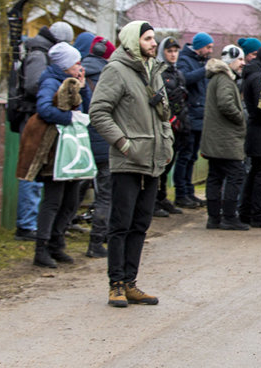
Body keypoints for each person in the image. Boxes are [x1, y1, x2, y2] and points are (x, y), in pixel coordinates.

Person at [90, 21, 174, 307]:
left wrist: (168, 143)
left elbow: (164, 115)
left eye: (154, 38)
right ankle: (115, 285)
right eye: (148, 38)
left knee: (140, 224)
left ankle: (131, 283)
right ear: (132, 41)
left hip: (153, 161)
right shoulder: (116, 70)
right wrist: (124, 144)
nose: (154, 43)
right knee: (120, 224)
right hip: (128, 161)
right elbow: (99, 112)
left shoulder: (154, 72)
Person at [30, 42, 92, 268]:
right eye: (76, 63)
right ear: (65, 65)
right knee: (53, 200)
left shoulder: (73, 82)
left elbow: (84, 107)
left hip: (71, 149)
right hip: (55, 151)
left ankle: (57, 244)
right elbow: (44, 109)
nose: (80, 66)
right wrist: (69, 118)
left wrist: (83, 88)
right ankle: (42, 248)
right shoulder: (50, 81)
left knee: (71, 200)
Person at [11, 21, 74, 241]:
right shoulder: (39, 53)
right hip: (33, 118)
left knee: (38, 171)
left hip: (36, 116)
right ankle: (27, 225)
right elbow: (33, 85)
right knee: (32, 170)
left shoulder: (39, 50)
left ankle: (33, 223)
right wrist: (58, 89)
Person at [200, 44, 249, 230]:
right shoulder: (225, 79)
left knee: (215, 176)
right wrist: (241, 118)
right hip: (226, 140)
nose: (243, 63)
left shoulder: (216, 78)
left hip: (215, 139)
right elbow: (226, 104)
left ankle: (214, 218)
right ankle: (229, 216)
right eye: (241, 59)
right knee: (236, 174)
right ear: (232, 60)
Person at [81, 36, 116, 258]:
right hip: (104, 141)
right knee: (105, 194)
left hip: (80, 144)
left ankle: (57, 237)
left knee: (74, 190)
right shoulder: (111, 76)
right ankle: (97, 242)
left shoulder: (78, 73)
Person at [174, 31, 213, 208]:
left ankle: (189, 191)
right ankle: (181, 193)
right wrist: (205, 71)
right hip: (189, 116)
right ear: (199, 47)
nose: (210, 50)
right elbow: (185, 79)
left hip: (200, 116)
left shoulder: (200, 61)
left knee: (192, 157)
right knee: (185, 156)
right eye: (208, 47)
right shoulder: (185, 60)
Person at [239, 44, 261, 227]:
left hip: (255, 131)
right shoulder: (257, 78)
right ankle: (257, 214)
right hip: (260, 132)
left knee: (255, 172)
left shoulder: (252, 75)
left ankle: (246, 211)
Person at [155, 36, 188, 217]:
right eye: (170, 51)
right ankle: (154, 200)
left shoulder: (177, 73)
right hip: (165, 125)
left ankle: (162, 197)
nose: (173, 54)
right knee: (161, 165)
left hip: (178, 126)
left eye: (176, 51)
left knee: (169, 163)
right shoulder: (159, 73)